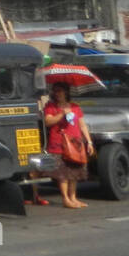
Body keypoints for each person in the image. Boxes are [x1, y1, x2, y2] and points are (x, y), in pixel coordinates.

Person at [43, 80, 94, 208]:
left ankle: (73, 197)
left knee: (74, 173)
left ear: (66, 92)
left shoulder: (75, 107)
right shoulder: (51, 106)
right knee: (63, 173)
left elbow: (82, 125)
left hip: (75, 143)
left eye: (59, 90)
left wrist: (89, 141)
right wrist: (61, 114)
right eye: (55, 91)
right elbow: (48, 121)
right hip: (59, 143)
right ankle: (66, 198)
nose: (57, 93)